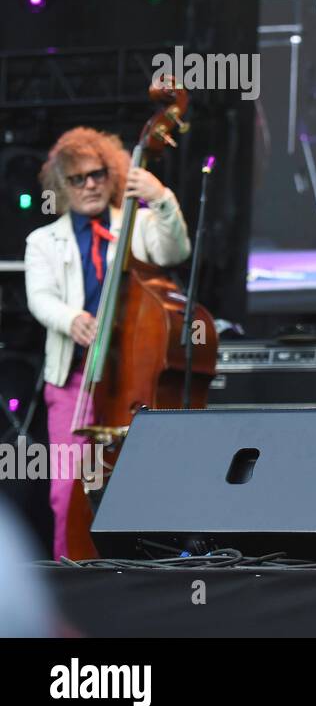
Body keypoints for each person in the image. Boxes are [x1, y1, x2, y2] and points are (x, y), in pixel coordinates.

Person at [24, 127, 191, 560]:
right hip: (74, 381)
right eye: (77, 179)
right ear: (62, 186)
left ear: (111, 173)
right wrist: (71, 318)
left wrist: (161, 198)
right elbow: (40, 298)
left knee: (142, 490)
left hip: (131, 380)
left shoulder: (136, 223)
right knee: (67, 489)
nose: (90, 185)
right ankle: (72, 582)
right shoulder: (43, 241)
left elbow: (175, 251)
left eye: (97, 174)